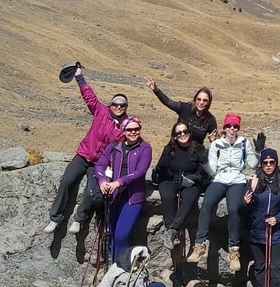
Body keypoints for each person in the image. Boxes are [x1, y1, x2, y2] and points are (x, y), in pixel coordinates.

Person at [44, 64, 130, 235]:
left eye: (122, 105)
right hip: (83, 155)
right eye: (116, 104)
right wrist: (79, 76)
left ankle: (79, 219)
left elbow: (130, 142)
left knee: (93, 191)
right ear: (111, 104)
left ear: (126, 107)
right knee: (67, 181)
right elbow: (88, 96)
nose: (119, 107)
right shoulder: (100, 111)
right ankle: (55, 218)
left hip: (100, 163)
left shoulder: (127, 125)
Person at [187, 112, 258, 271]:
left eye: (235, 126)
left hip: (237, 180)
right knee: (207, 204)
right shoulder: (216, 144)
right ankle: (199, 245)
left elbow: (252, 164)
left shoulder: (244, 143)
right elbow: (212, 170)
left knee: (234, 209)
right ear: (224, 128)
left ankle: (233, 251)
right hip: (219, 178)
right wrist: (204, 162)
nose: (232, 129)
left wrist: (258, 150)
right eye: (229, 126)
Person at [95, 116, 153, 261]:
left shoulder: (144, 148)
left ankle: (122, 269)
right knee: (113, 235)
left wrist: (118, 182)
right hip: (115, 197)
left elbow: (140, 172)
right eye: (129, 129)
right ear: (124, 131)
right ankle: (115, 269)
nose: (133, 132)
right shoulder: (114, 147)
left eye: (136, 129)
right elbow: (99, 165)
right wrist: (102, 181)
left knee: (122, 235)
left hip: (133, 198)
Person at [153, 121, 210, 249]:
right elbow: (160, 169)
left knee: (190, 197)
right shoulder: (169, 149)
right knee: (167, 194)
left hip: (191, 180)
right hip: (171, 178)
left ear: (189, 133)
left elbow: (203, 171)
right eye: (179, 133)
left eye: (185, 131)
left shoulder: (197, 148)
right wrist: (163, 165)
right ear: (174, 136)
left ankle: (173, 229)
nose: (182, 134)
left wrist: (192, 178)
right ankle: (169, 229)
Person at [244, 148, 280, 287]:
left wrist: (278, 218)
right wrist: (245, 203)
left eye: (272, 162)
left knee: (276, 268)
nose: (268, 165)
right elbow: (244, 209)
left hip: (277, 232)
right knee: (260, 267)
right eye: (265, 162)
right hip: (257, 231)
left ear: (276, 163)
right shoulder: (254, 182)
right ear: (261, 164)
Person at [144, 77, 218, 144]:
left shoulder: (210, 120)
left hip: (195, 155)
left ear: (209, 102)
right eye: (199, 99)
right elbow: (168, 102)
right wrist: (156, 90)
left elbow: (215, 142)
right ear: (195, 100)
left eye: (205, 100)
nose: (201, 102)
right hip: (175, 149)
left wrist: (213, 141)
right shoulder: (185, 108)